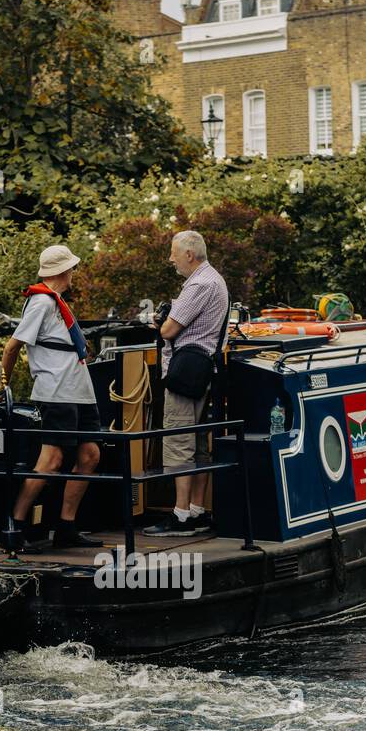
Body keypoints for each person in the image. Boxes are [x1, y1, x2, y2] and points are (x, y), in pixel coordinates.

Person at [0, 244, 101, 549]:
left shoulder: (57, 302)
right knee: (51, 460)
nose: (74, 273)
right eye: (72, 268)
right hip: (57, 390)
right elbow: (13, 346)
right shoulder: (40, 302)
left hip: (79, 390)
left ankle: (66, 526)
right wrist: (3, 383)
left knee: (90, 456)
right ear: (64, 271)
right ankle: (15, 524)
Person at [143, 230, 229, 538]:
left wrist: (159, 322)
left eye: (174, 253)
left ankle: (180, 518)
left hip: (184, 373)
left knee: (178, 441)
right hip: (205, 370)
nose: (171, 258)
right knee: (198, 444)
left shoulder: (198, 285)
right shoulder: (216, 280)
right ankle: (196, 510)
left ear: (189, 255)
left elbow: (168, 330)